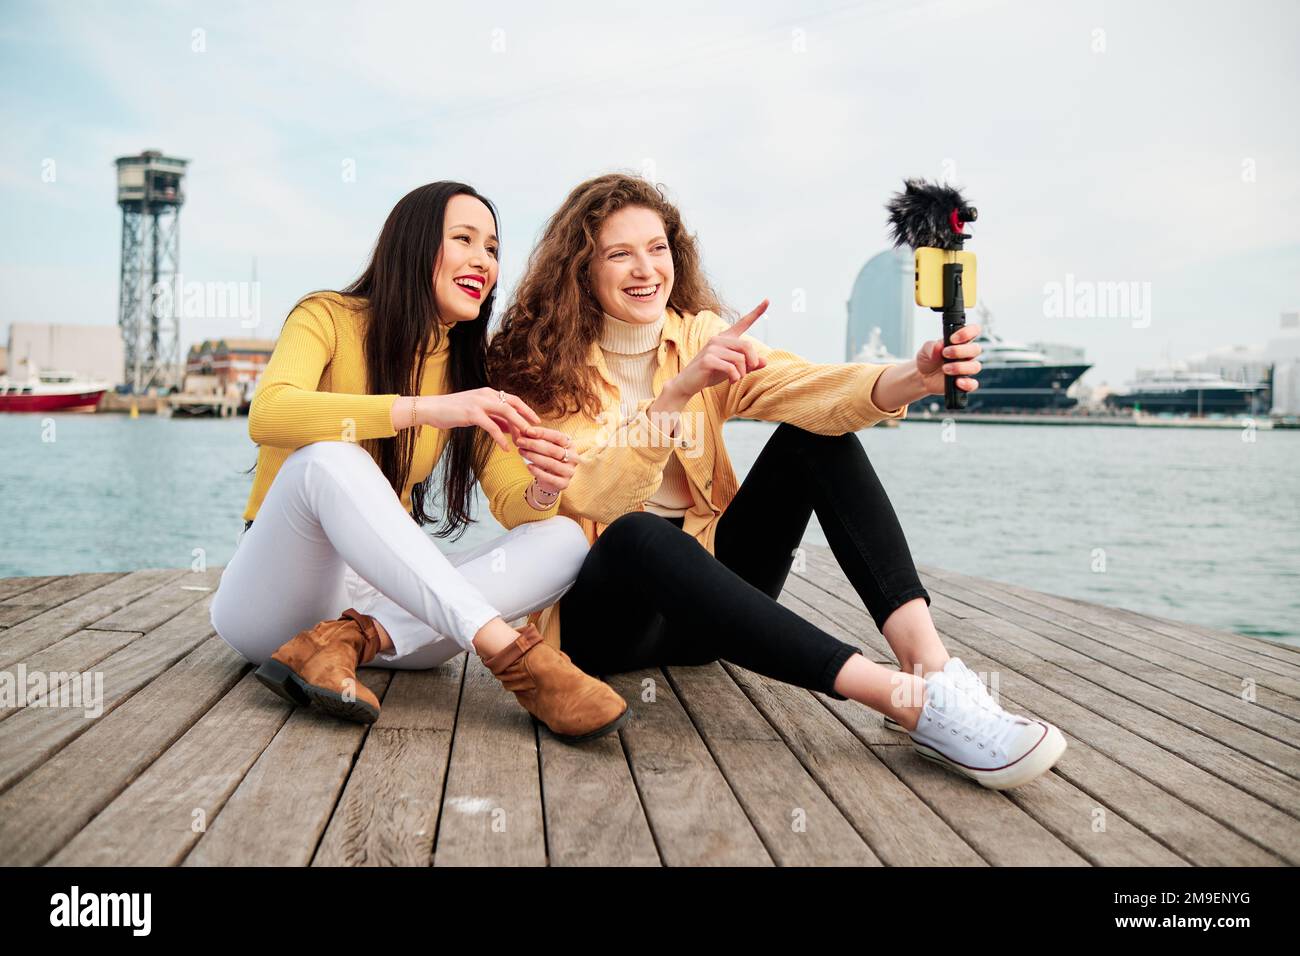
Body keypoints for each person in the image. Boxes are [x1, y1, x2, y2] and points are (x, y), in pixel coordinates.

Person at [486, 173, 1067, 789]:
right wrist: (678, 393)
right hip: (605, 622)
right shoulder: (533, 367)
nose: (645, 268)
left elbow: (807, 389)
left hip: (706, 611)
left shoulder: (699, 335)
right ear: (581, 270)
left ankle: (933, 671)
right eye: (618, 253)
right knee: (633, 534)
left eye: (657, 248)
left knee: (813, 436)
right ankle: (907, 704)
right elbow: (591, 496)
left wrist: (913, 379)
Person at [209, 181, 627, 742]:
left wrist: (545, 489)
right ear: (413, 245)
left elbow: (513, 504)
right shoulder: (326, 316)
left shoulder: (465, 373)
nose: (483, 260)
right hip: (274, 602)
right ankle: (513, 659)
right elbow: (269, 413)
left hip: (387, 612)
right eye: (464, 239)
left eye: (493, 249)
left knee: (565, 539)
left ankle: (347, 642)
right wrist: (425, 410)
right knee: (332, 457)